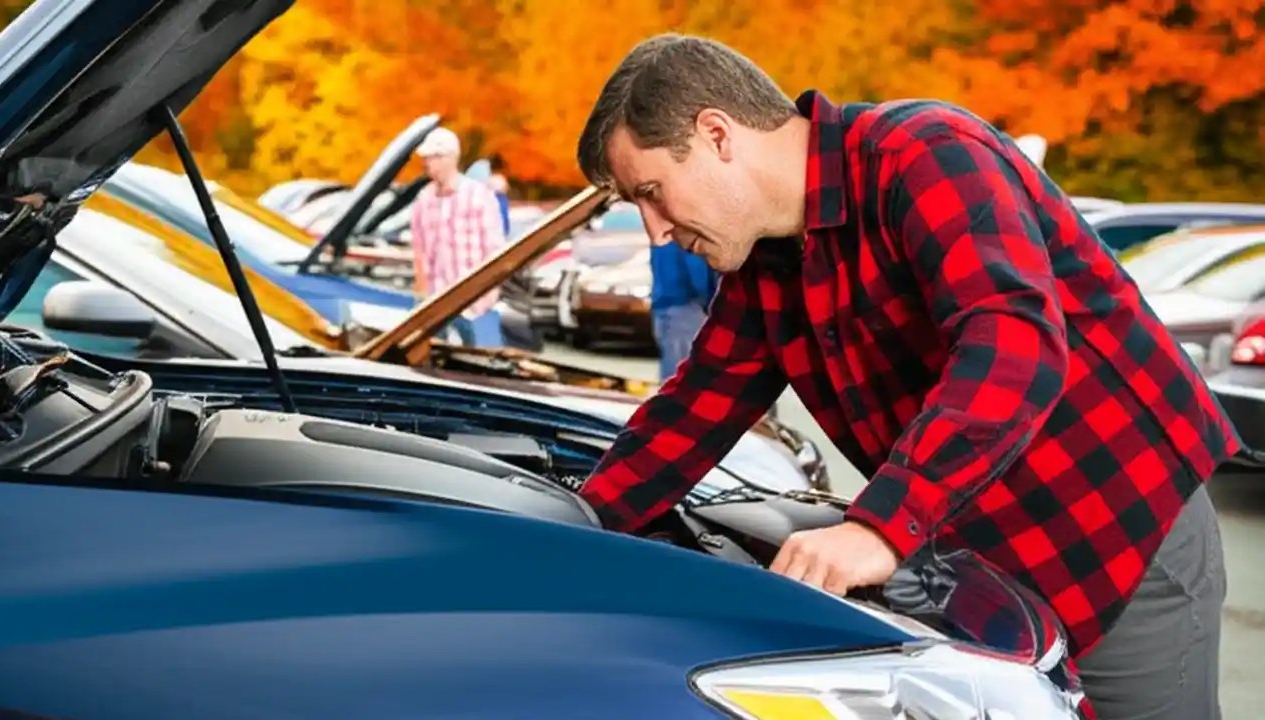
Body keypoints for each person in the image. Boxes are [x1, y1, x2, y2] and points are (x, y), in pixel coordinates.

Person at [573, 33, 1237, 719]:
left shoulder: (924, 154)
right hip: (987, 559)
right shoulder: (766, 260)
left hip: (1118, 534)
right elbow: (695, 408)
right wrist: (577, 530)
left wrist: (882, 530)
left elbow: (1012, 342)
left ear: (716, 134)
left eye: (651, 192)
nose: (653, 230)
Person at [407, 127, 508, 347]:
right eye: (425, 158)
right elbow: (419, 251)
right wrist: (422, 296)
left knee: (476, 365)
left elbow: (494, 248)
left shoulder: (479, 196)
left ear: (450, 158)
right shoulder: (423, 200)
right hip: (434, 304)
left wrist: (487, 296)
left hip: (472, 302)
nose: (427, 163)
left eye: (433, 157)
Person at [649, 240, 719, 380]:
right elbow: (696, 269)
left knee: (672, 367)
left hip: (662, 303)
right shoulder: (685, 235)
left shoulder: (660, 235)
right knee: (683, 373)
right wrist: (711, 300)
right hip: (686, 304)